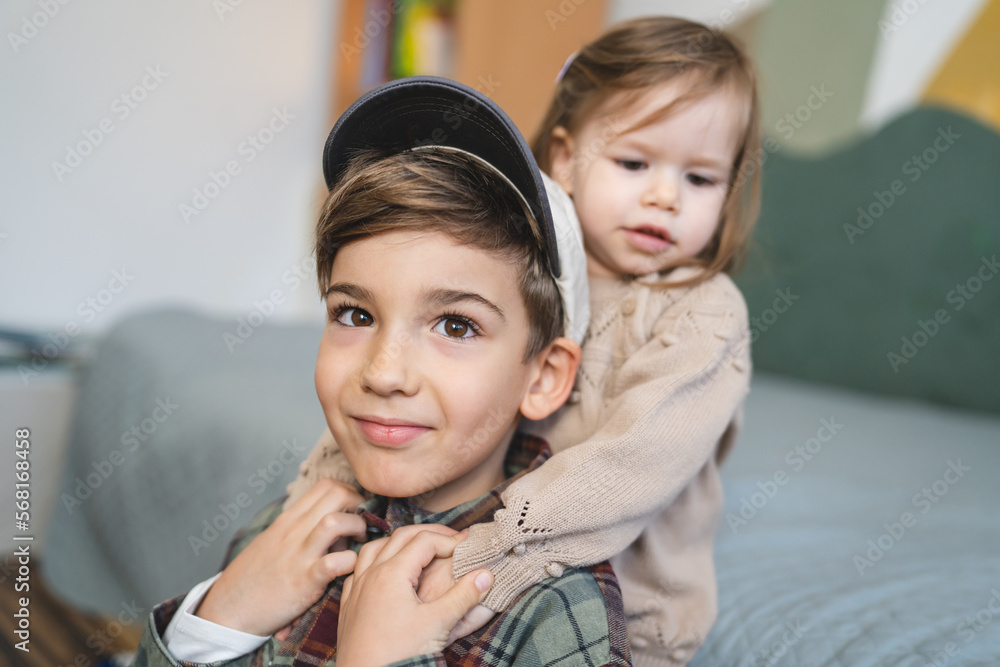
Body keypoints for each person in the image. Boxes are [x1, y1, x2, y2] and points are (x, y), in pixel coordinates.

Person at [288, 16, 761, 665]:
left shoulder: (703, 314)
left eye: (700, 179)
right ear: (565, 157)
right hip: (488, 565)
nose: (663, 197)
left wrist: (493, 548)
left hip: (620, 609)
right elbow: (375, 405)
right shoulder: (532, 261)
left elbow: (635, 463)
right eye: (633, 162)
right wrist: (308, 499)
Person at [131, 76, 630, 666]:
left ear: (544, 376)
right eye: (356, 313)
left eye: (455, 325)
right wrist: (216, 618)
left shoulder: (555, 607)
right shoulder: (293, 524)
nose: (384, 373)